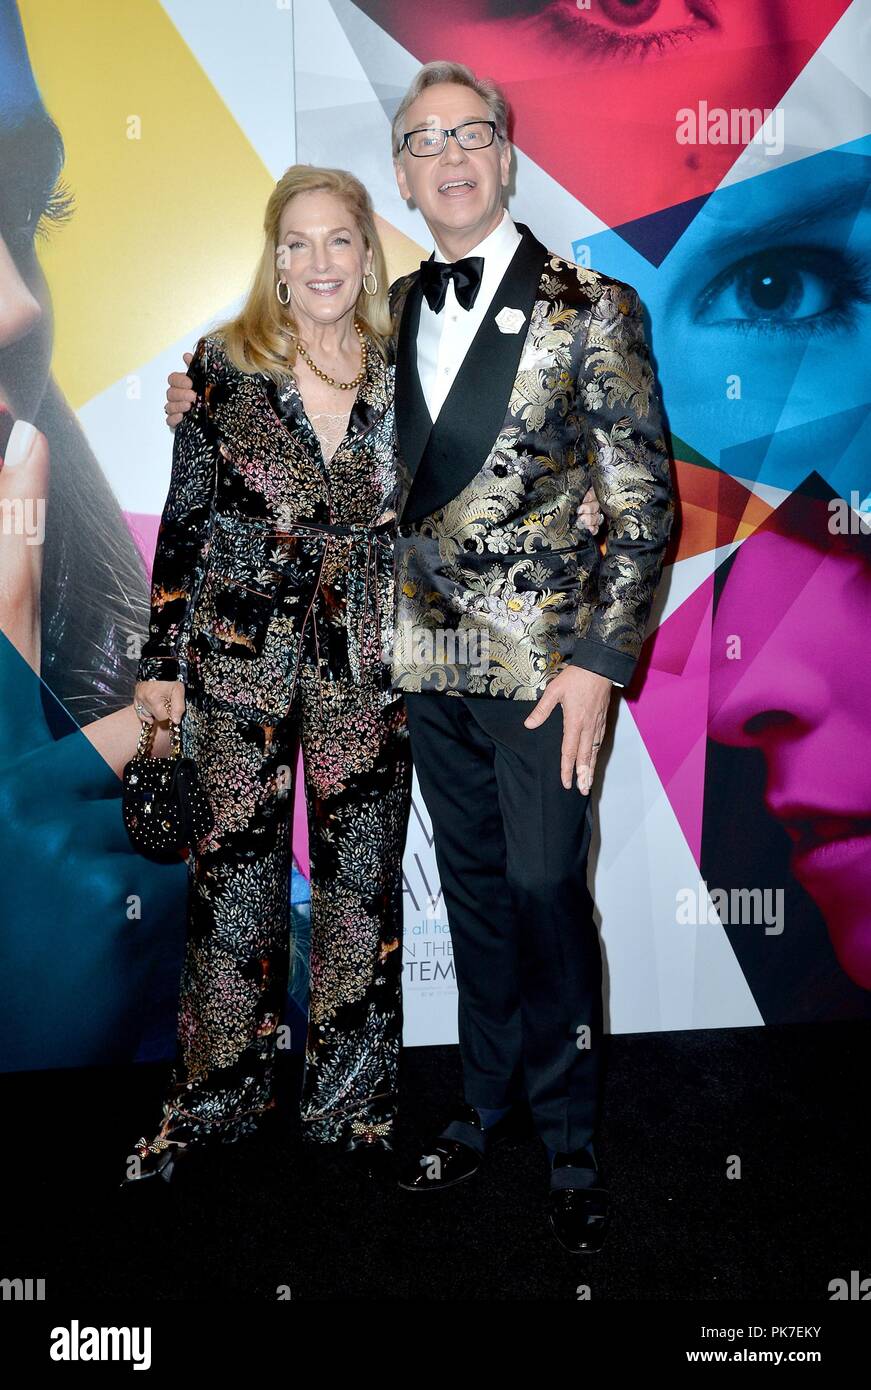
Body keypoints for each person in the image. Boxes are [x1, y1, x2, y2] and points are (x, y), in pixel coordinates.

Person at [165, 63, 659, 1254]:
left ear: (505, 154)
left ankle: (572, 1142)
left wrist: (598, 659)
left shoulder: (588, 303)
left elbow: (642, 509)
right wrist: (199, 401)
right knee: (480, 903)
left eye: (469, 135)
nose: (447, 157)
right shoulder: (391, 323)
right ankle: (482, 1111)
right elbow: (307, 417)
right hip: (418, 669)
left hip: (545, 679)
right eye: (421, 140)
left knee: (548, 896)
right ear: (402, 172)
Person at [123, 164, 413, 1185]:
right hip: (237, 668)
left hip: (368, 669)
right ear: (274, 258)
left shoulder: (405, 370)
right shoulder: (219, 368)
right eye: (298, 243)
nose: (319, 261)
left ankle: (352, 1108)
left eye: (338, 240)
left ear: (367, 253)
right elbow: (185, 524)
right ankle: (216, 1101)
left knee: (361, 894)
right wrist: (161, 662)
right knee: (231, 892)